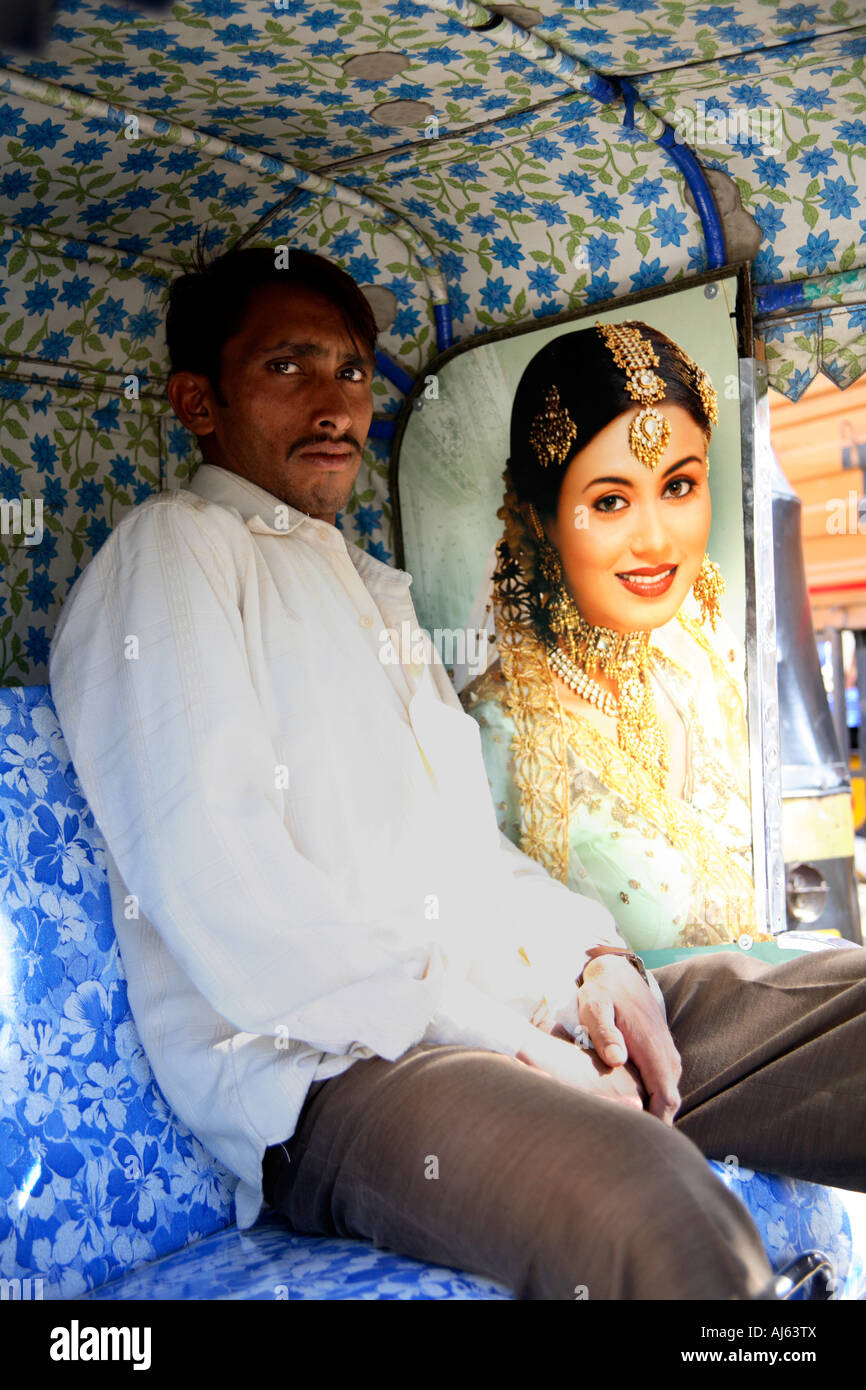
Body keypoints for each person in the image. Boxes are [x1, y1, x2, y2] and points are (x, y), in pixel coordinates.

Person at [48, 244, 866, 1301]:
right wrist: (523, 1050)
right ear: (197, 400)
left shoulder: (372, 592)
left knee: (832, 1014)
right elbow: (237, 904)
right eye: (288, 368)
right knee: (647, 1204)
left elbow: (461, 858)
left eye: (350, 371)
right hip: (340, 1077)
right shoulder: (173, 555)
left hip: (503, 1013)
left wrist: (589, 966)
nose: (336, 403)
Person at [462, 322, 759, 951]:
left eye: (678, 486)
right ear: (541, 520)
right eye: (609, 502)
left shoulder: (703, 686)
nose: (655, 541)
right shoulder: (498, 738)